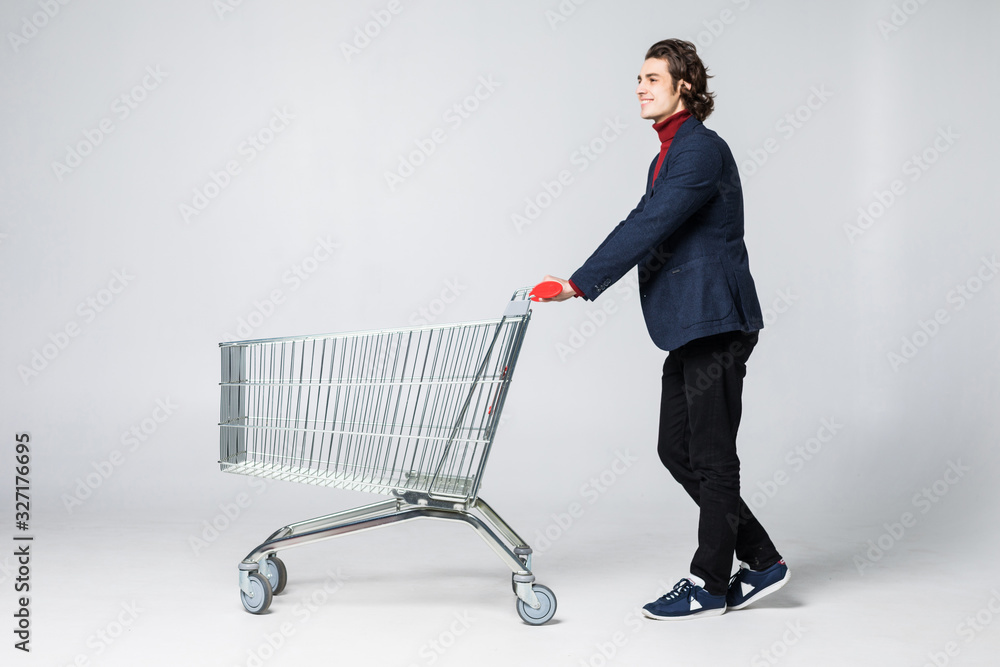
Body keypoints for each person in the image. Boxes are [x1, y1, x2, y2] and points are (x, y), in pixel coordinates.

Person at [538, 38, 789, 620]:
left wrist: (580, 283)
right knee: (676, 447)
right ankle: (763, 561)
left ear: (684, 86)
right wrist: (580, 277)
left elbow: (654, 221)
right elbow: (643, 218)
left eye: (652, 77)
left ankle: (709, 583)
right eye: (639, 77)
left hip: (716, 320)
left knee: (712, 455)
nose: (640, 87)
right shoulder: (669, 153)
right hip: (692, 323)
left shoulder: (700, 150)